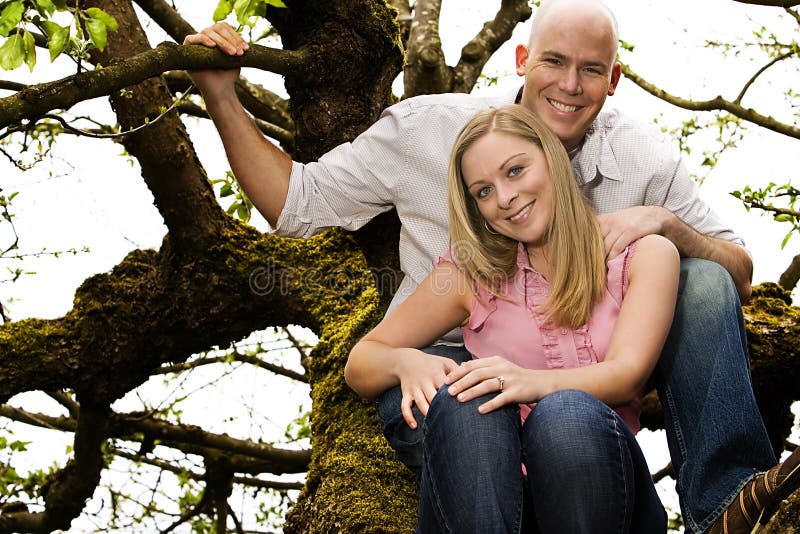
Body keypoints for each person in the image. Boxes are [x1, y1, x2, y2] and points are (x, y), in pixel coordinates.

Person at [183, 0, 800, 531]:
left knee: (700, 280)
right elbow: (297, 203)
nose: (569, 84)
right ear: (521, 59)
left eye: (590, 70)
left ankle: (724, 502)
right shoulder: (431, 137)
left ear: (613, 80)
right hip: (452, 358)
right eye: (554, 62)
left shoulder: (640, 163)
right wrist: (221, 94)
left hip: (590, 388)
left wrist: (665, 224)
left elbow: (734, 275)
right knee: (467, 403)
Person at [346, 104, 678, 532]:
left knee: (566, 415)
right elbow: (362, 361)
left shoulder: (641, 256)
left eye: (516, 171)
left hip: (599, 497)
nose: (504, 198)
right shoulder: (470, 275)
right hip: (492, 502)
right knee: (465, 399)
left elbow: (627, 375)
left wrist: (528, 382)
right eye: (483, 191)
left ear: (552, 158)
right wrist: (407, 361)